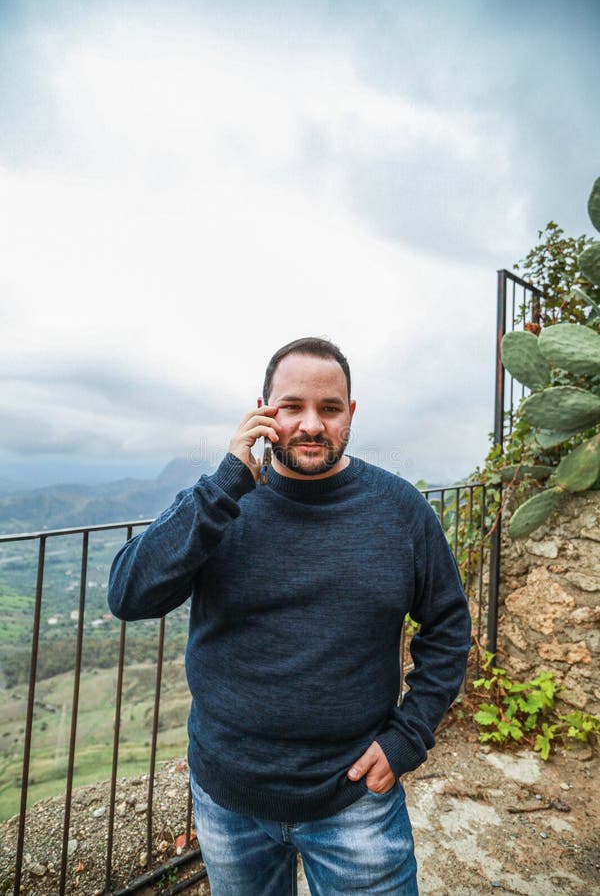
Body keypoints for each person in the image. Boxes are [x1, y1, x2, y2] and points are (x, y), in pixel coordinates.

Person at [108, 336, 471, 895]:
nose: (310, 424)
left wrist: (408, 737)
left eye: (329, 409)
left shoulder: (399, 511)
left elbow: (448, 627)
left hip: (354, 801)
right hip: (228, 801)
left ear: (350, 415)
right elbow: (129, 595)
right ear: (263, 410)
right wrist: (228, 479)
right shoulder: (220, 504)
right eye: (292, 406)